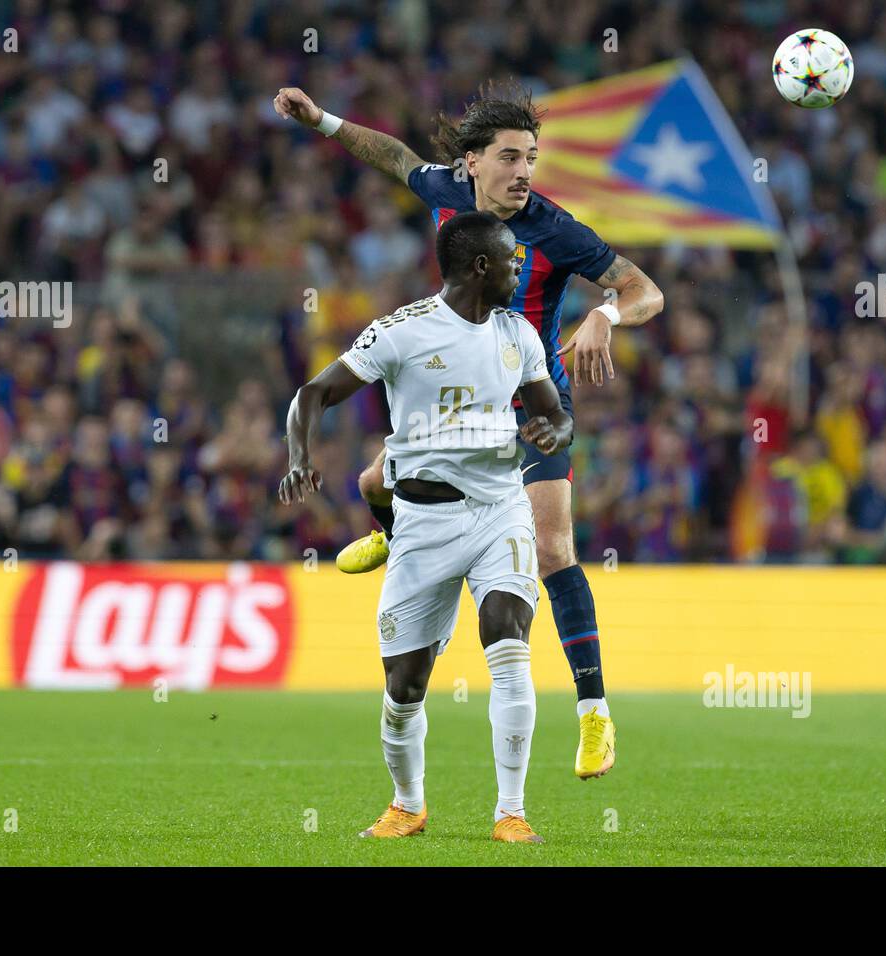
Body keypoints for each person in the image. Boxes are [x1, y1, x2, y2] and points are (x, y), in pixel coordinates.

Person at [274, 79, 665, 777]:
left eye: (532, 159)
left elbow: (644, 290)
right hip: (454, 402)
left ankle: (595, 713)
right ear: (473, 163)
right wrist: (324, 121)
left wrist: (605, 314)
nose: (523, 173)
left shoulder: (557, 229)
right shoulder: (444, 190)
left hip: (533, 402)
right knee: (372, 478)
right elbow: (392, 156)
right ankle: (389, 533)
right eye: (511, 158)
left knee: (552, 547)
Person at [279, 211, 572, 843]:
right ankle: (407, 804)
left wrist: (556, 430)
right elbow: (312, 395)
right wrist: (301, 457)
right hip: (422, 522)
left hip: (500, 511)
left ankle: (511, 812)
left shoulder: (519, 334)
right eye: (512, 262)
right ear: (480, 266)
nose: (521, 272)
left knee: (508, 644)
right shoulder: (401, 333)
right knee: (404, 686)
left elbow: (554, 411)